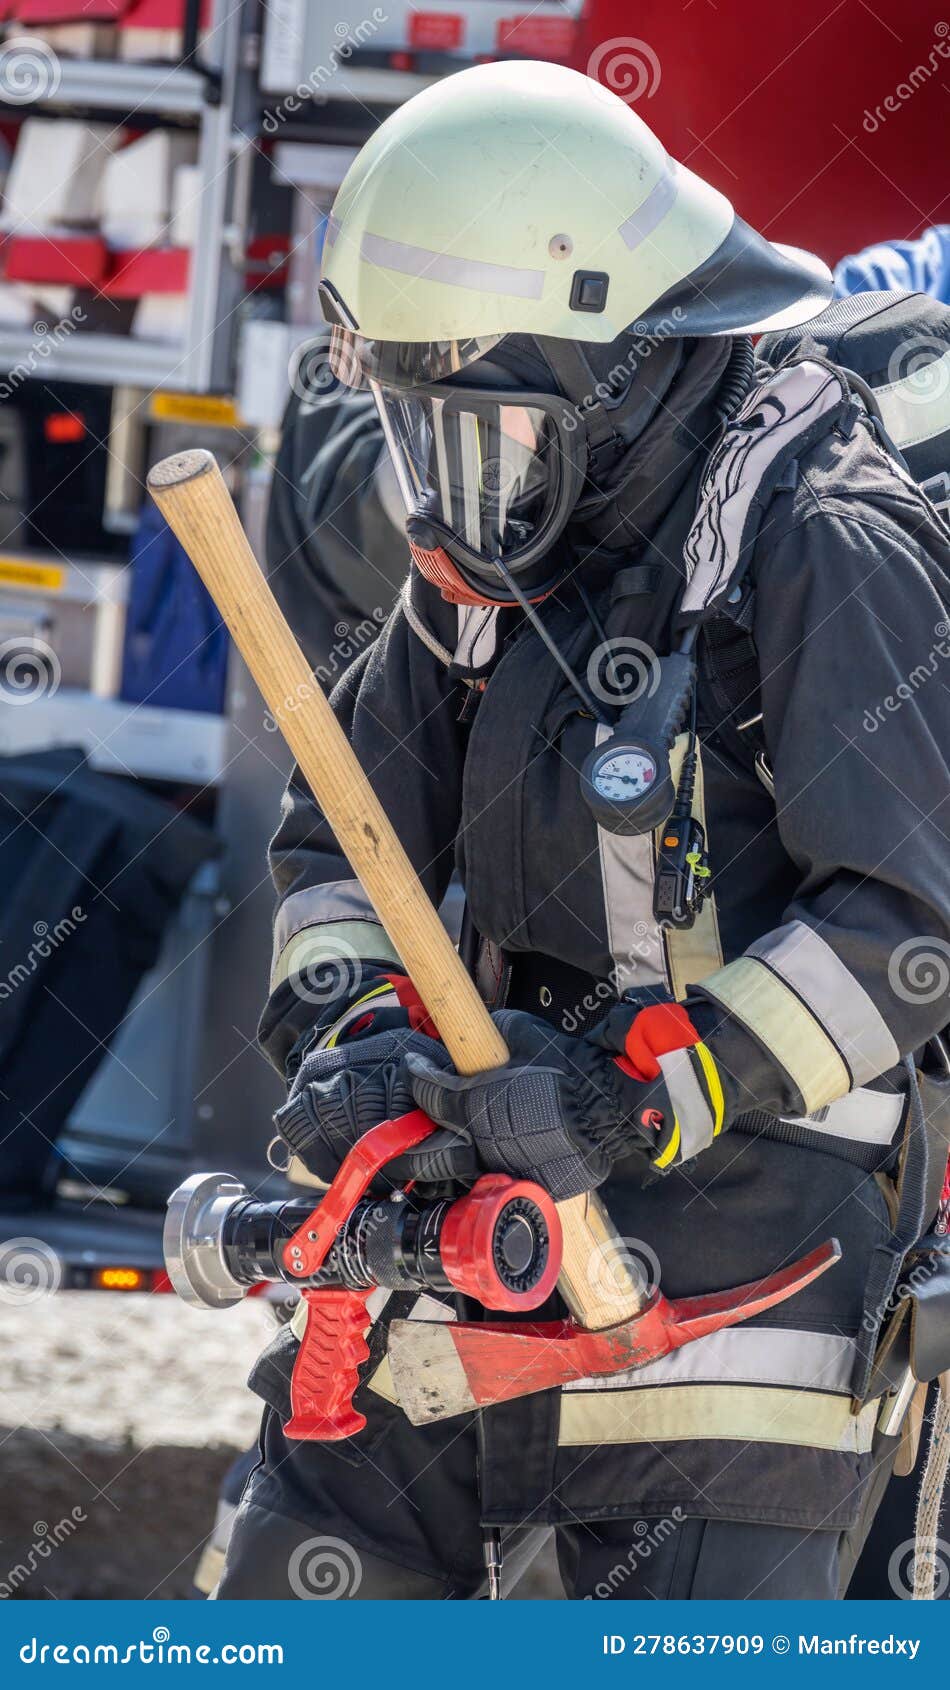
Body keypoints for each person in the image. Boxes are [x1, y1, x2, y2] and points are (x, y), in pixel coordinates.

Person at [218, 60, 950, 1600]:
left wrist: (638, 1101)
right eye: (421, 436)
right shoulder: (506, 538)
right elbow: (337, 848)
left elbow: (903, 939)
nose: (443, 499)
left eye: (474, 430)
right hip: (453, 1255)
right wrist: (353, 1035)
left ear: (615, 360)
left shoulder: (821, 531)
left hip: (739, 1313)